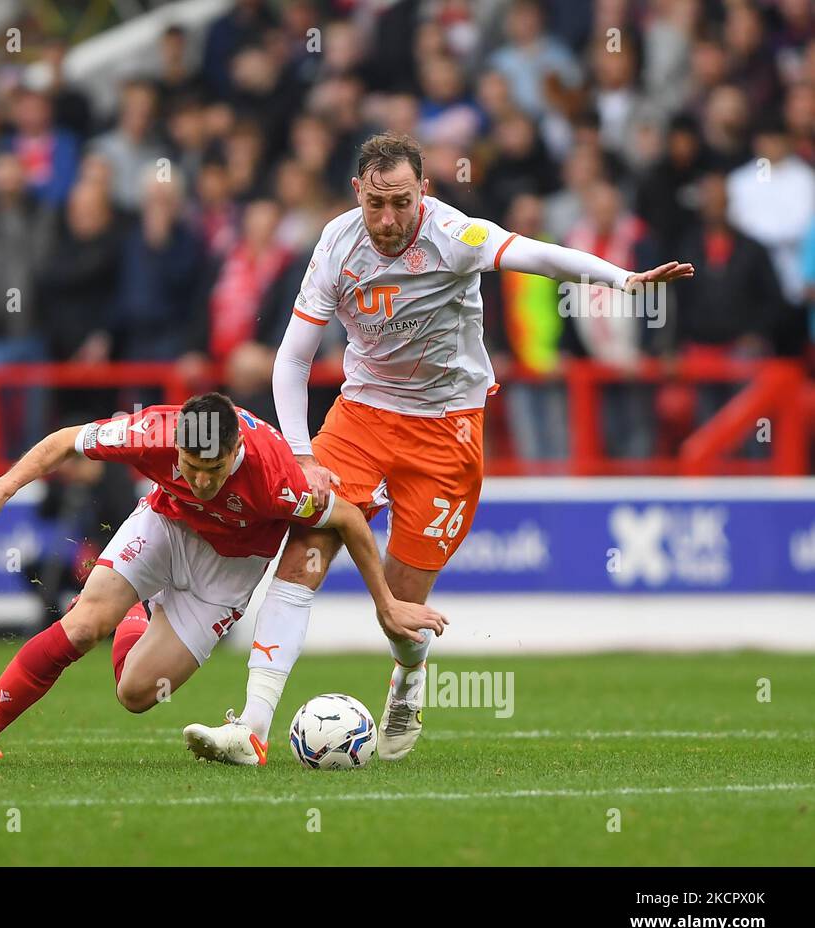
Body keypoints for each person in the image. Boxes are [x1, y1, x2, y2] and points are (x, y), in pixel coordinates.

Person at [184, 132, 693, 766]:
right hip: (362, 417)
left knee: (400, 603)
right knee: (306, 547)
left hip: (446, 429)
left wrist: (623, 279)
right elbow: (290, 362)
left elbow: (540, 256)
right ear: (357, 194)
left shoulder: (455, 234)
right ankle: (252, 730)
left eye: (401, 202)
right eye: (376, 204)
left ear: (423, 190)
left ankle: (406, 681)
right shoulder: (336, 244)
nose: (388, 219)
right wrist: (305, 457)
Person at [0, 392, 446, 768]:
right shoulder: (153, 432)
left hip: (226, 576)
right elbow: (66, 441)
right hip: (164, 527)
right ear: (176, 443)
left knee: (136, 695)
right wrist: (1, 489)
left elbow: (350, 519)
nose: (201, 480)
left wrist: (385, 605)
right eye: (190, 465)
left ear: (235, 452)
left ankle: (141, 609)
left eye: (213, 469)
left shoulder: (278, 478)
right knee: (84, 626)